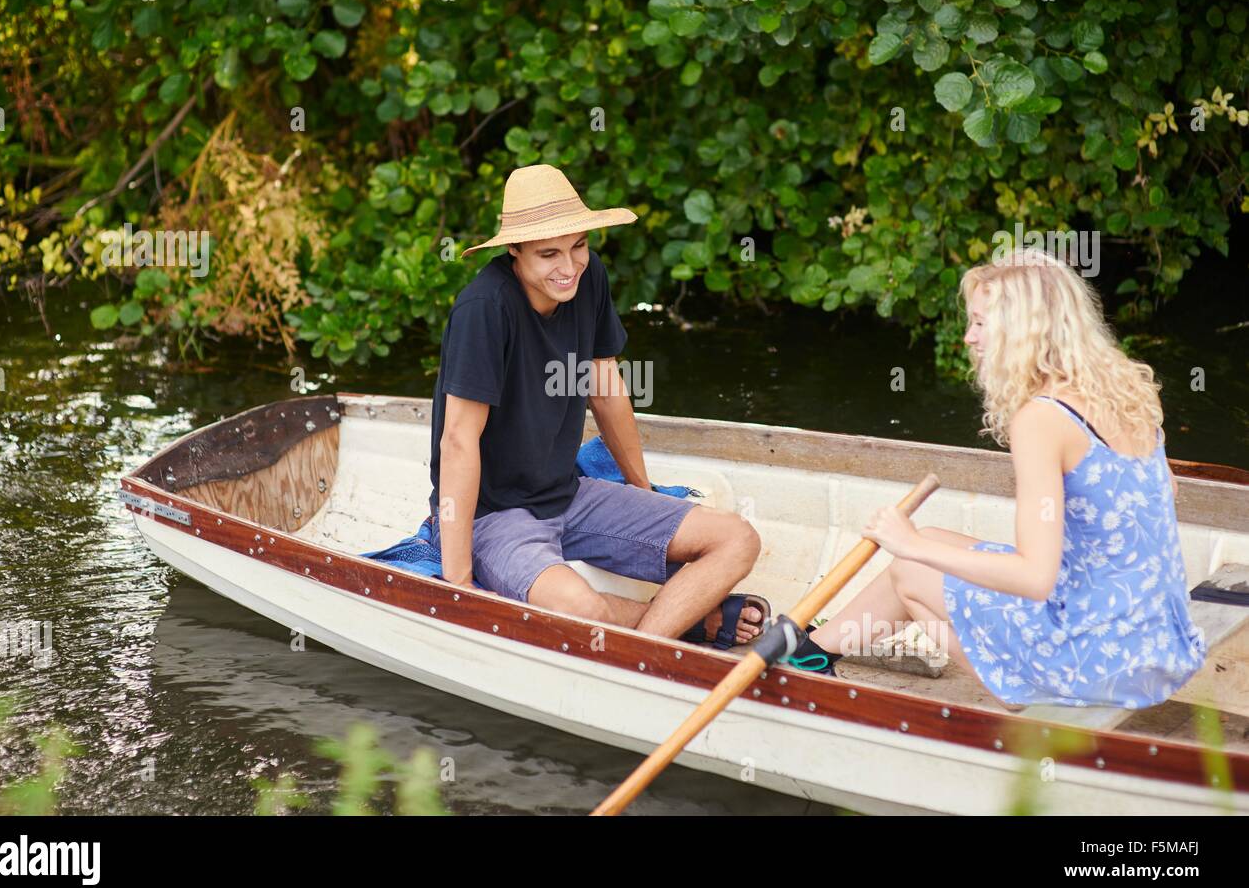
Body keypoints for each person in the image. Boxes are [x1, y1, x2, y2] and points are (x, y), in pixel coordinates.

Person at [793, 247, 1207, 709]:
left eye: (980, 323)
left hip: (1101, 660)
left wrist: (909, 544)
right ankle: (816, 649)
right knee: (934, 540)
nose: (969, 338)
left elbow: (1034, 578)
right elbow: (1165, 489)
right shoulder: (1128, 386)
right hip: (1161, 646)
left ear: (1021, 331)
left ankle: (1013, 689)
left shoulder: (1042, 418)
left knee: (911, 567)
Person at [429, 164, 767, 648]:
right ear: (514, 251)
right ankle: (685, 626)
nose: (569, 266)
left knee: (738, 539)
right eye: (549, 253)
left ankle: (643, 647)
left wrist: (645, 493)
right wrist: (459, 583)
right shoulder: (484, 310)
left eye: (579, 246)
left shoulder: (589, 280)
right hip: (494, 514)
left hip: (568, 493)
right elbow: (459, 441)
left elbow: (605, 390)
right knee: (578, 607)